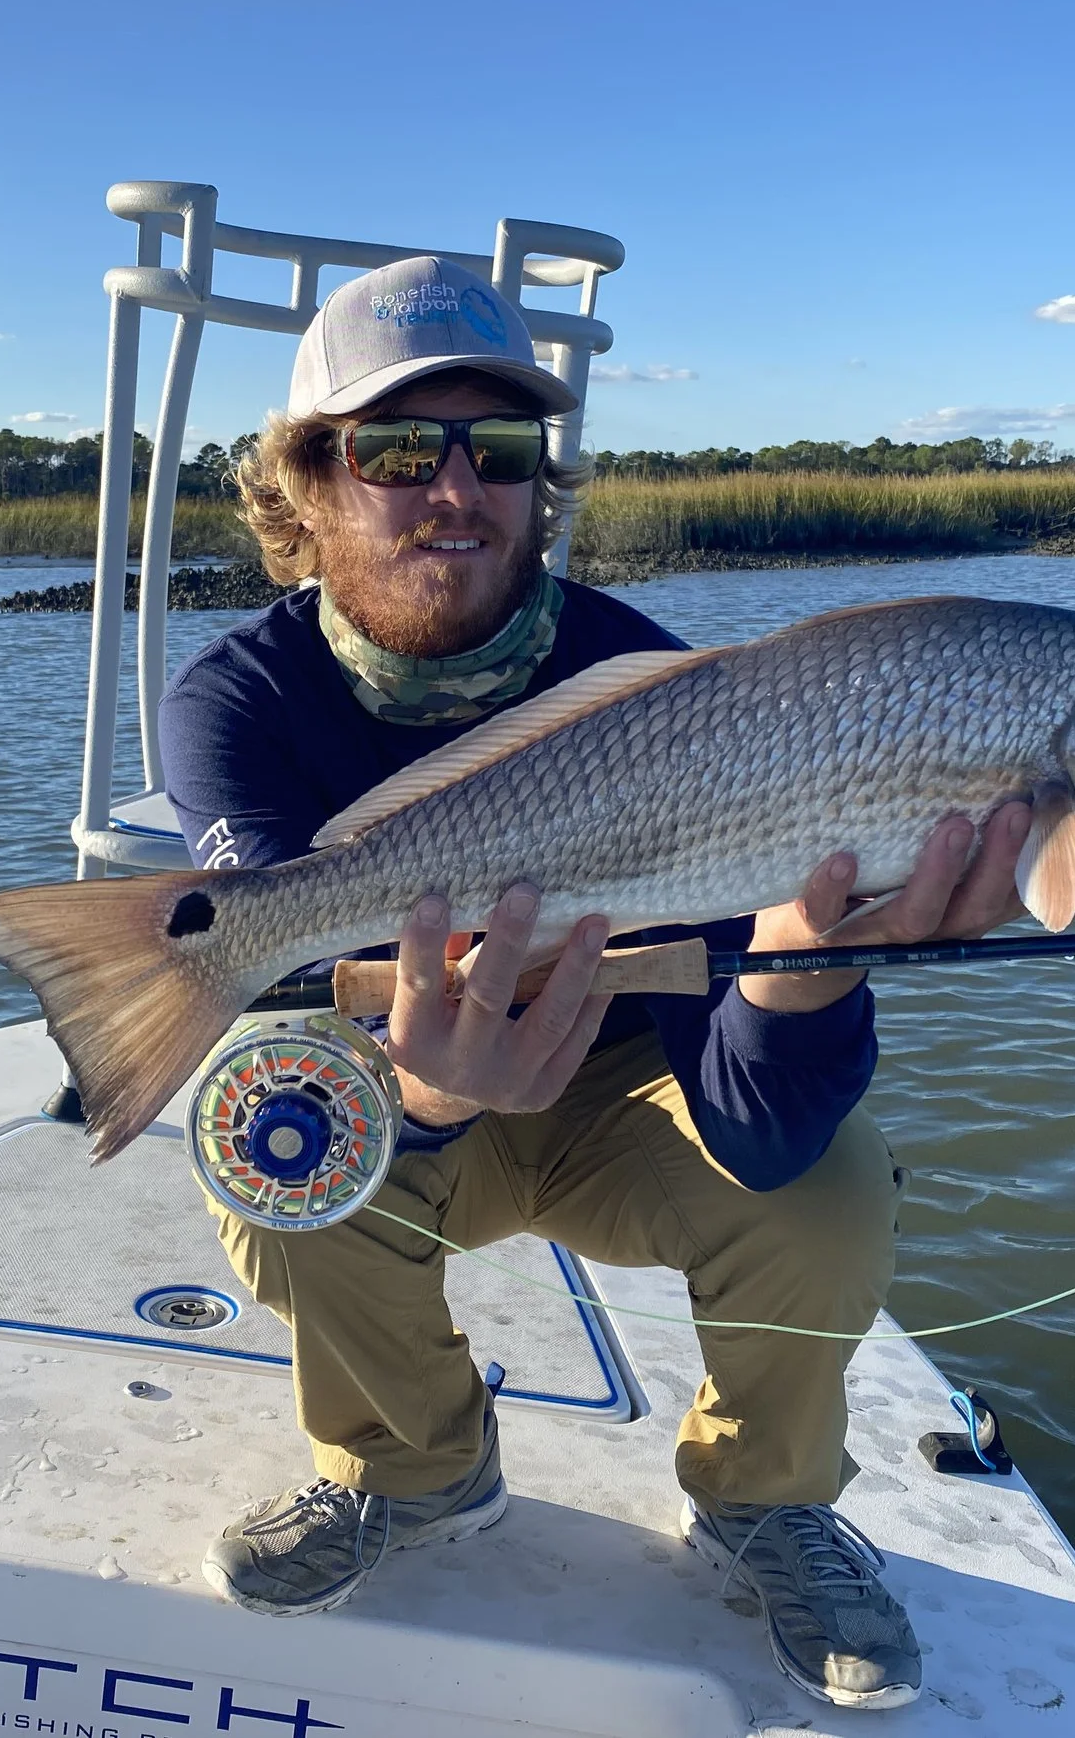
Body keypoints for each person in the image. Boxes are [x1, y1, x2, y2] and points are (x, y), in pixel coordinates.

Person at [159, 255, 1029, 1713]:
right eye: (392, 448)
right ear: (305, 485)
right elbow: (288, 1043)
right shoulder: (235, 705)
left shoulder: (669, 685)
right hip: (411, 1081)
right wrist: (429, 1094)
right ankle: (415, 1469)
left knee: (831, 1188)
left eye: (499, 450)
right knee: (275, 1163)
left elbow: (754, 1126)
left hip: (635, 1089)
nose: (455, 488)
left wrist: (807, 978)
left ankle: (766, 1496)